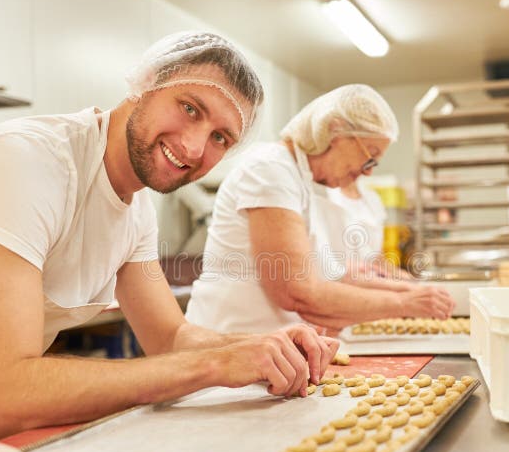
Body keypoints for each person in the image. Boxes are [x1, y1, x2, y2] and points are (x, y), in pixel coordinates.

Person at [0, 31, 338, 452]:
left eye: (220, 138)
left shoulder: (136, 211)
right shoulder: (27, 161)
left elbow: (169, 336)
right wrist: (214, 365)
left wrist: (263, 347)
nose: (193, 147)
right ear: (146, 84)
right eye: (189, 108)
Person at [185, 84, 455, 335]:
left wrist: (413, 291)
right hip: (228, 349)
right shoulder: (270, 169)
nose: (369, 172)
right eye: (369, 156)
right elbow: (297, 292)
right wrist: (406, 302)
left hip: (272, 356)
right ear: (336, 131)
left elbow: (338, 279)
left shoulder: (308, 184)